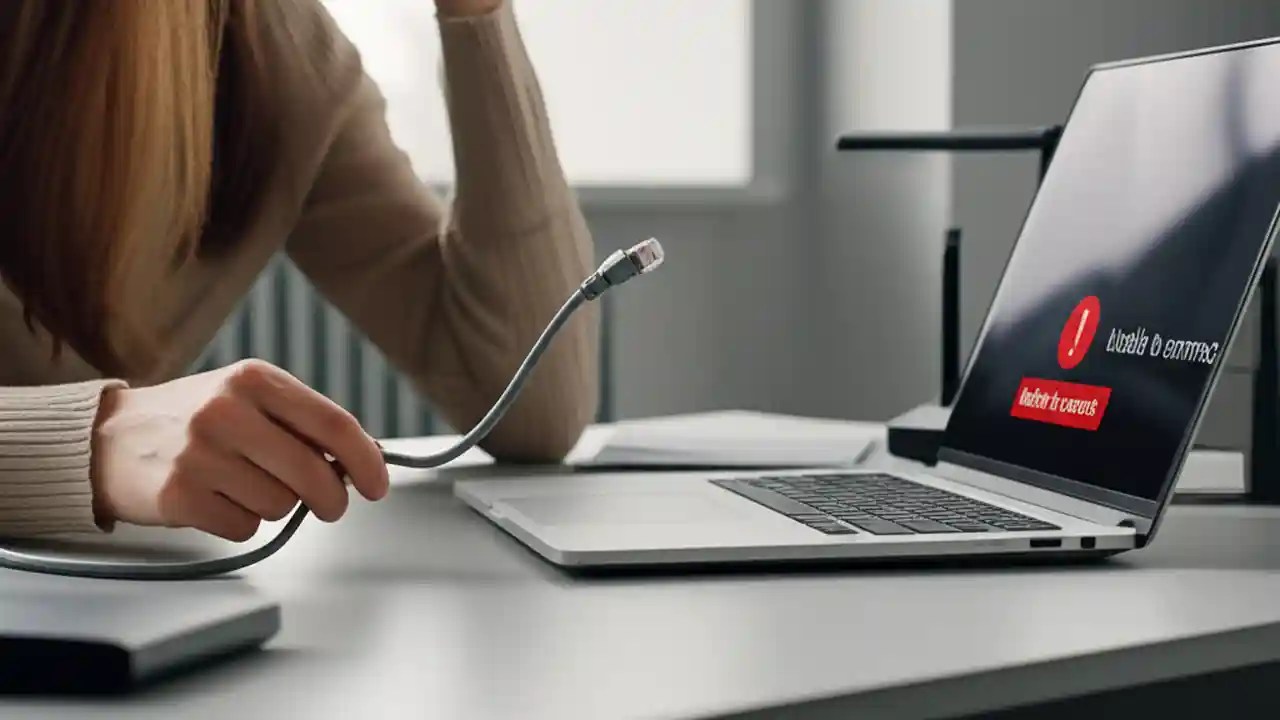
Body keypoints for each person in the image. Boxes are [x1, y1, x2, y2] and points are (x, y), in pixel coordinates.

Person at [0, 0, 597, 542]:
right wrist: (90, 446)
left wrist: (477, 14)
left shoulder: (280, 49)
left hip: (94, 602)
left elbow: (531, 407)